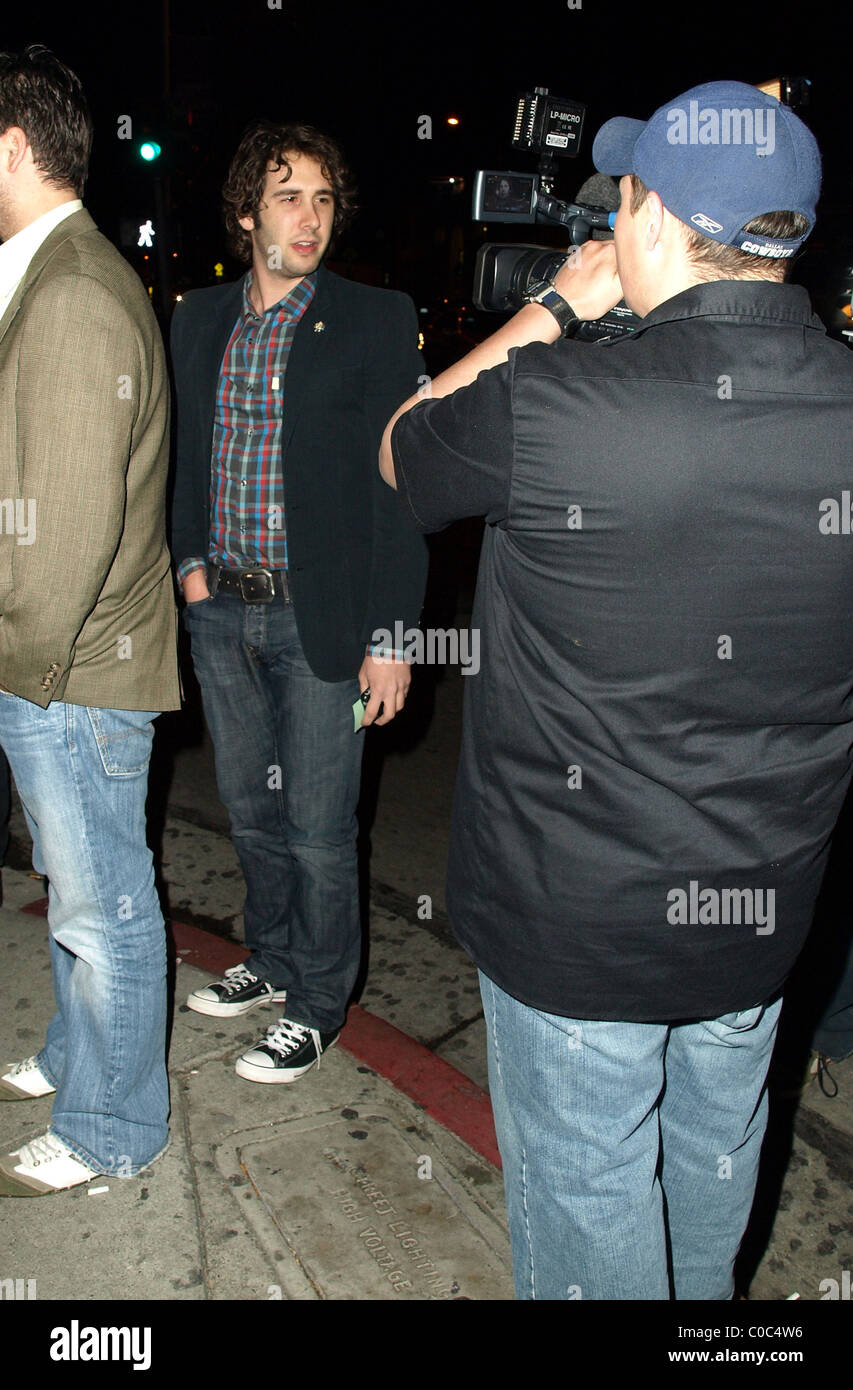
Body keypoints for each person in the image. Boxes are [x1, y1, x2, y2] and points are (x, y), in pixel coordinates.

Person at [380, 80, 853, 1299]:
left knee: (592, 1194)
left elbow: (401, 448)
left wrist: (555, 303)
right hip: (759, 913)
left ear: (646, 219)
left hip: (574, 925)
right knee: (712, 1161)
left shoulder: (557, 402)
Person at [170, 121, 427, 1083]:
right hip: (221, 612)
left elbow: (395, 489)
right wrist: (191, 572)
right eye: (287, 197)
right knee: (248, 810)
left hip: (320, 619)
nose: (309, 217)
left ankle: (320, 1001)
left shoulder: (371, 317)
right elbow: (181, 459)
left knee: (320, 829)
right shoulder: (198, 317)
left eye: (322, 199)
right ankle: (273, 960)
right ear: (246, 214)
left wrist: (394, 636)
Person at [0, 46, 181, 1195]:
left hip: (66, 675)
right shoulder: (58, 272)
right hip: (72, 668)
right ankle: (79, 1056)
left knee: (105, 903)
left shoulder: (67, 293)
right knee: (84, 896)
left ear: (12, 150)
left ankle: (116, 1125)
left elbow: (53, 556)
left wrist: (18, 667)